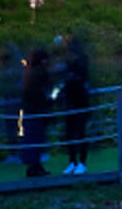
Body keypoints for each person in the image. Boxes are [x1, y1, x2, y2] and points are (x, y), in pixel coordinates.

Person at [58, 39, 92, 175]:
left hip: (80, 101)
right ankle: (72, 161)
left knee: (80, 132)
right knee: (70, 133)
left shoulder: (81, 62)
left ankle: (82, 162)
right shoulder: (69, 64)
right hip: (70, 101)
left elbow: (81, 81)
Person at [20, 49, 53, 178]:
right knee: (37, 137)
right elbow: (44, 90)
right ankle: (35, 166)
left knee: (33, 138)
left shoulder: (29, 73)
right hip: (38, 110)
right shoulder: (40, 73)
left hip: (31, 109)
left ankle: (35, 166)